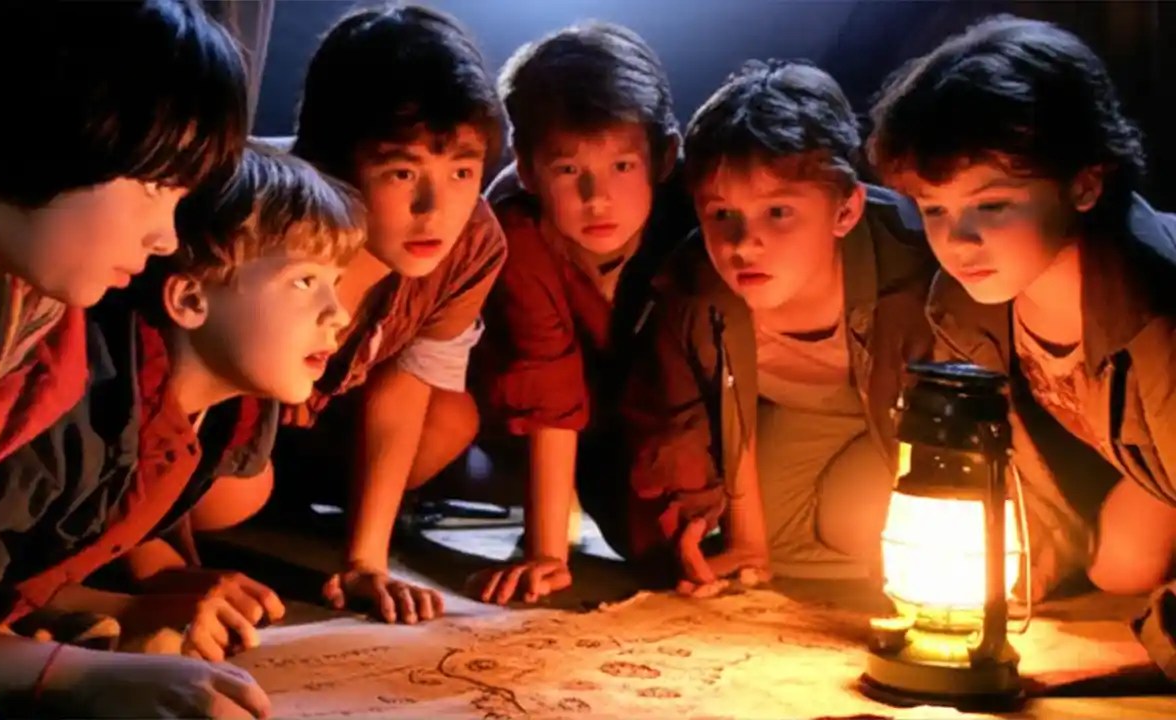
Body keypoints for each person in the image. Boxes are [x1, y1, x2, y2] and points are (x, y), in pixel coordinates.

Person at [0, 1, 270, 716]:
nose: (167, 237)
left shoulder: (24, 318)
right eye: (159, 187)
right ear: (62, 125)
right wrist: (76, 676)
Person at [0, 144, 363, 665]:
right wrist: (125, 612)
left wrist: (160, 580)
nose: (338, 314)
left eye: (336, 284)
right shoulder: (75, 405)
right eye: (305, 282)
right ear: (190, 300)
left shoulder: (235, 409)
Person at [866, 14, 1176, 678]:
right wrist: (1035, 554)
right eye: (934, 209)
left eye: (993, 205)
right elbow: (1022, 460)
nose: (958, 240)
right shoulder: (968, 309)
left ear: (1085, 184)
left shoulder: (1157, 318)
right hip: (1144, 470)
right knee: (1116, 564)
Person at [625, 60, 937, 594]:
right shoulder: (694, 290)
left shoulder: (915, 260)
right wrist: (738, 538)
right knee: (767, 539)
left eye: (778, 212)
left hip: (915, 416)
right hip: (804, 418)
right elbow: (678, 422)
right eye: (722, 215)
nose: (744, 244)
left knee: (859, 515)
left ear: (845, 211)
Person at [266, 3, 507, 625]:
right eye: (403, 172)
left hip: (327, 426)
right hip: (236, 422)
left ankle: (312, 508)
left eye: (462, 171)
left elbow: (410, 381)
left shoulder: (473, 241)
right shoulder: (268, 213)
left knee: (451, 417)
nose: (436, 209)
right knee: (235, 493)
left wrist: (365, 560)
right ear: (335, 162)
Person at [471, 22, 694, 605]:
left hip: (659, 407)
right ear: (526, 168)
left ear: (665, 155)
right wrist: (547, 553)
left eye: (622, 167)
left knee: (661, 544)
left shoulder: (697, 218)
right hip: (540, 420)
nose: (597, 198)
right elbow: (547, 378)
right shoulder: (517, 228)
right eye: (569, 171)